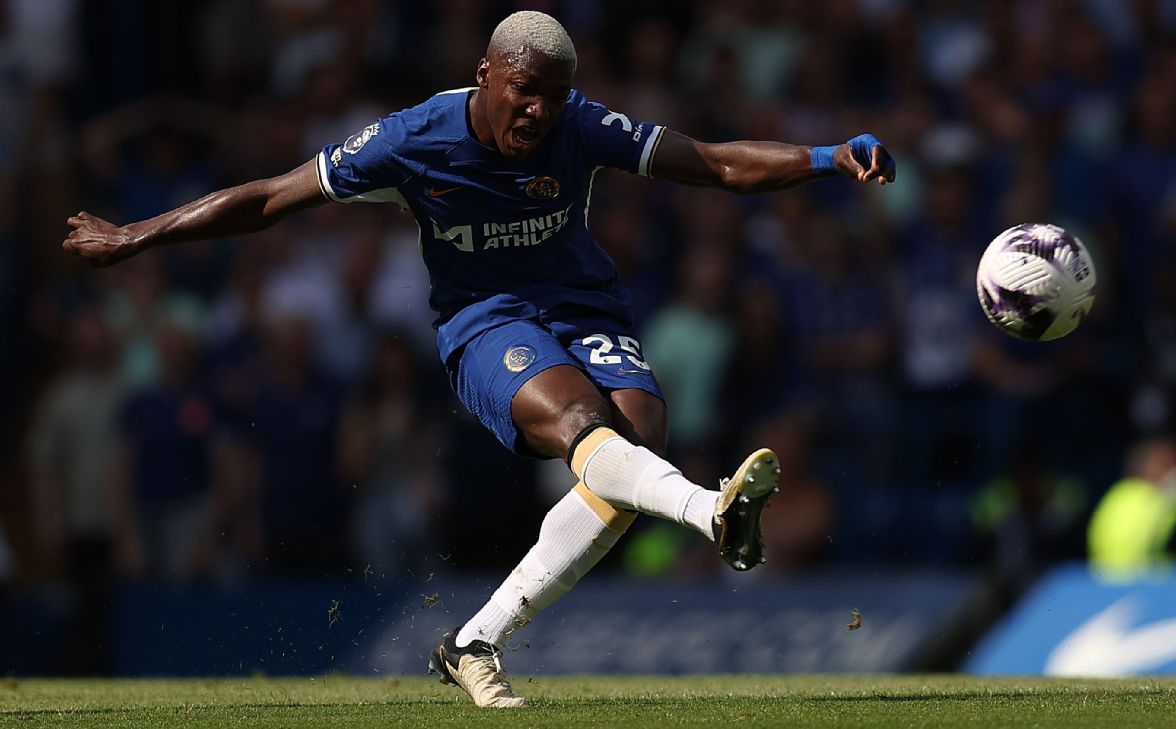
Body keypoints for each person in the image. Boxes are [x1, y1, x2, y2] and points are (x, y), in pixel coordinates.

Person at [63, 11, 895, 708]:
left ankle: (473, 641)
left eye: (552, 97)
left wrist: (825, 157)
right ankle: (711, 511)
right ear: (487, 74)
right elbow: (271, 197)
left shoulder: (579, 125)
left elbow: (713, 163)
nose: (537, 112)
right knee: (587, 425)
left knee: (632, 440)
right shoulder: (412, 137)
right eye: (524, 92)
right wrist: (139, 235)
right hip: (485, 322)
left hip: (584, 306)